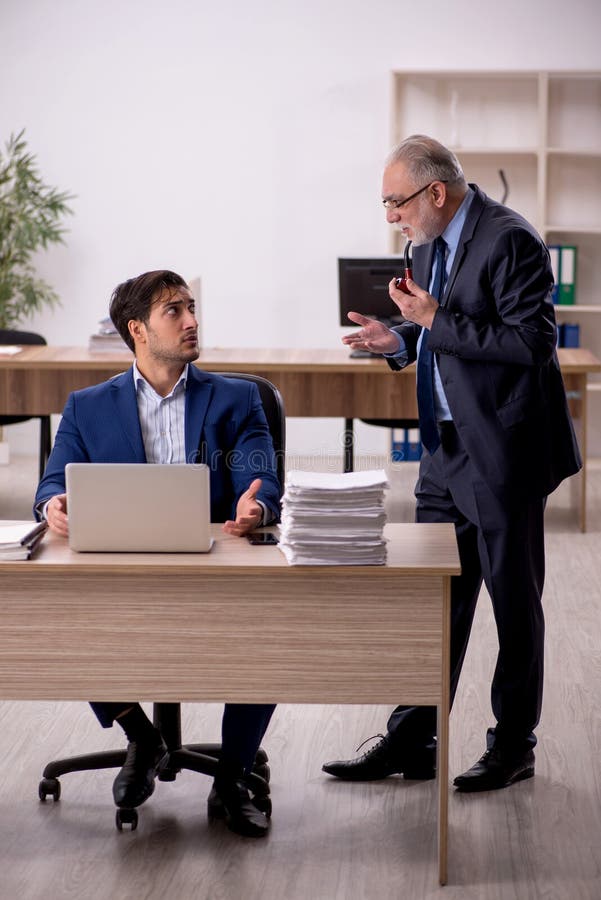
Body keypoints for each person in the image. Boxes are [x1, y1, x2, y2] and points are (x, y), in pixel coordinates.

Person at [323, 135, 581, 792]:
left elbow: (530, 342)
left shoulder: (510, 240)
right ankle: (413, 736)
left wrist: (432, 319)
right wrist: (399, 338)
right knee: (433, 597)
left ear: (434, 193)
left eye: (395, 202)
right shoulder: (424, 243)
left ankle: (512, 746)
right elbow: (442, 332)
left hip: (502, 451)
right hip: (443, 449)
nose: (390, 217)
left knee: (511, 602)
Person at [35, 269, 281, 836]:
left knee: (270, 628)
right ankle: (141, 736)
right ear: (138, 330)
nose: (193, 321)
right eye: (175, 311)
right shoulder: (87, 407)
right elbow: (50, 486)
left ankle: (233, 776)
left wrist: (257, 504)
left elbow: (261, 476)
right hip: (124, 572)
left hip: (217, 570)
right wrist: (53, 506)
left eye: (192, 308)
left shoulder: (240, 399)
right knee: (62, 615)